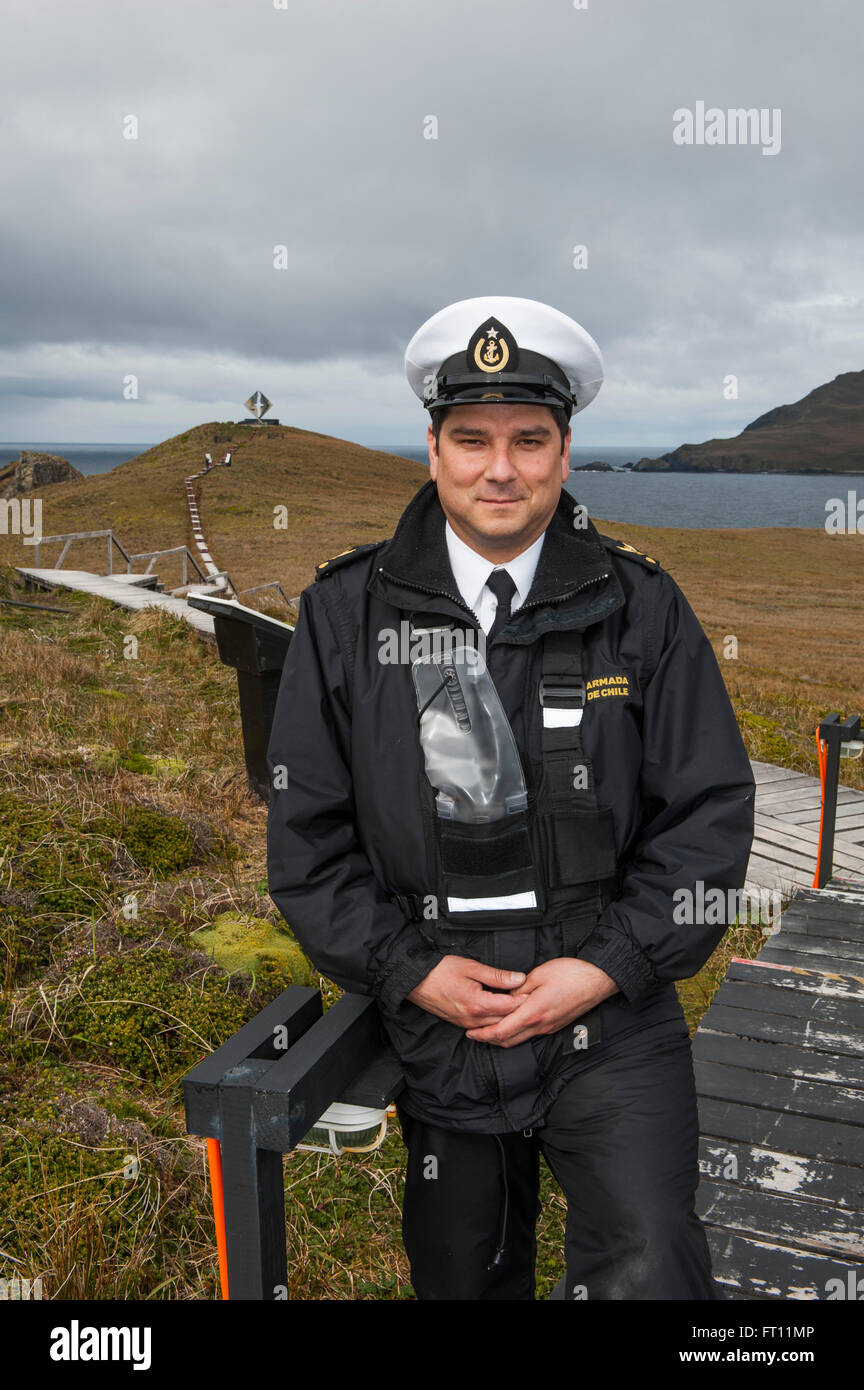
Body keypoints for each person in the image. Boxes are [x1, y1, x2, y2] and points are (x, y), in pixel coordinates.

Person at [266, 295, 756, 1300]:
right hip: (443, 1019)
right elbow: (307, 844)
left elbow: (708, 816)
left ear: (566, 454)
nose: (501, 467)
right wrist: (412, 970)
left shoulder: (643, 605)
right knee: (466, 1278)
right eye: (472, 438)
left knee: (654, 1265)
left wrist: (605, 965)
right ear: (434, 450)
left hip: (609, 1021)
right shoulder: (342, 613)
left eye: (529, 440)